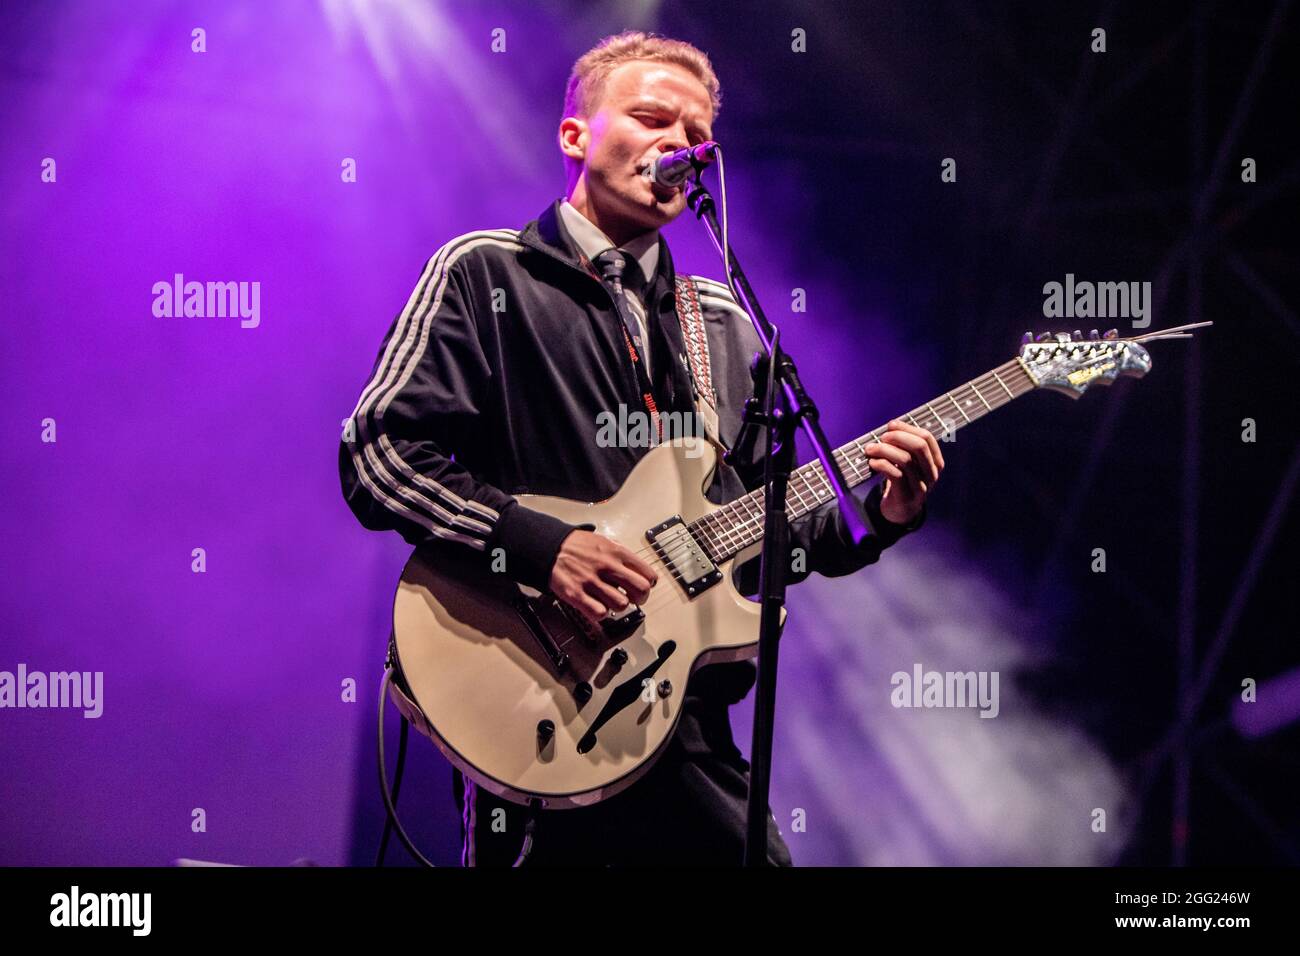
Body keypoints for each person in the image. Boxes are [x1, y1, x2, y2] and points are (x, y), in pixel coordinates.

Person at [339, 30, 944, 866]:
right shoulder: (485, 275)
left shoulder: (724, 325)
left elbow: (767, 538)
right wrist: (542, 548)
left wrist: (879, 514)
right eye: (653, 118)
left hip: (689, 726)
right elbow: (380, 454)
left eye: (695, 138)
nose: (679, 147)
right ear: (575, 135)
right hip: (537, 704)